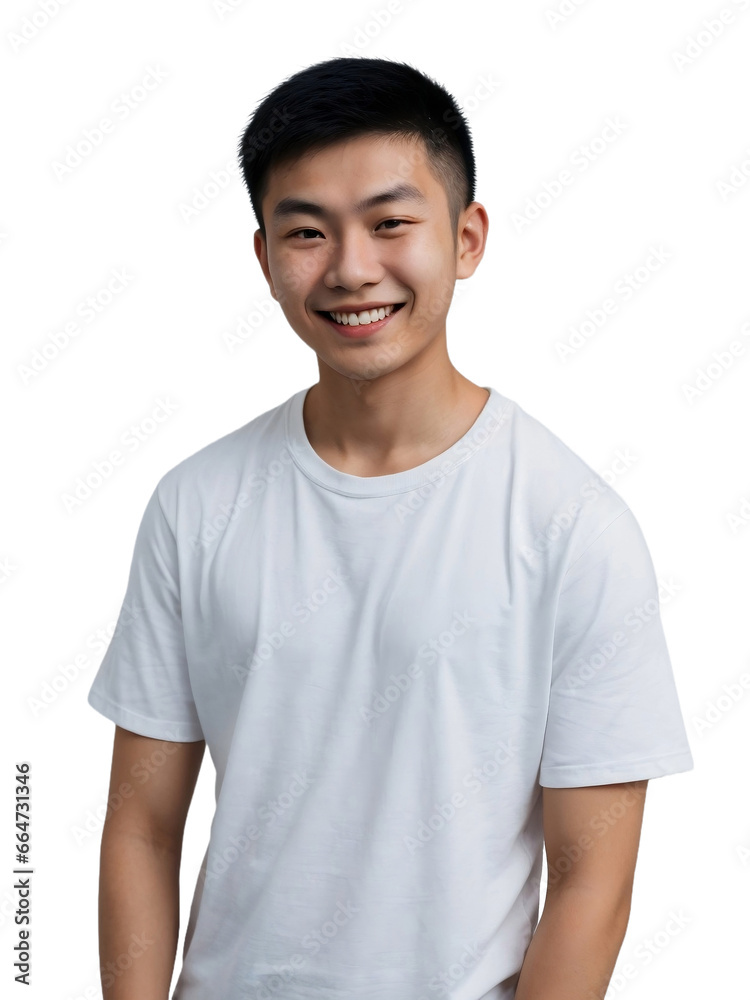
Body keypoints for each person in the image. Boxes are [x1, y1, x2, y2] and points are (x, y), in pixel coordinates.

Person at [87, 57, 694, 1000]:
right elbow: (139, 826)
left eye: (391, 222)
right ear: (264, 259)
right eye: (307, 232)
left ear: (467, 237)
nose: (351, 268)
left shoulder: (570, 523)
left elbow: (594, 884)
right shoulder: (196, 504)